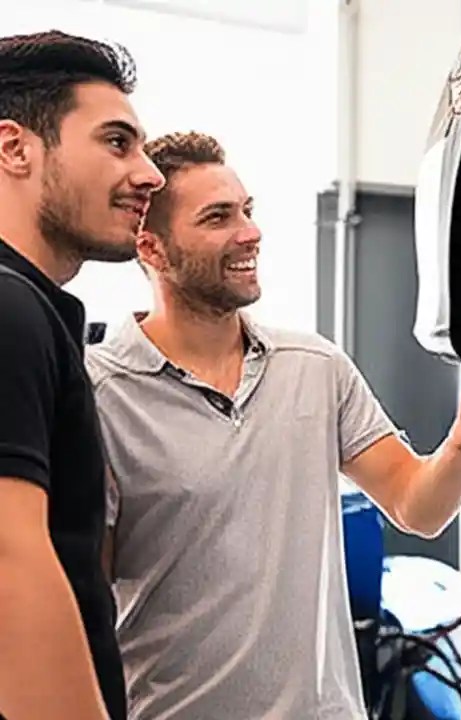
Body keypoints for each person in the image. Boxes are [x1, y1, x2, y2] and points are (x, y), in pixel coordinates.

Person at [84, 130, 461, 719]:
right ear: (151, 249)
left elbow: (418, 507)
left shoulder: (313, 366)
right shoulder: (100, 393)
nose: (250, 233)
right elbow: (81, 606)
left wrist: (460, 446)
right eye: (217, 218)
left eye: (247, 210)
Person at [0, 30, 164, 720]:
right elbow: (8, 560)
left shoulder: (32, 312)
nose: (151, 174)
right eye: (117, 142)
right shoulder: (10, 310)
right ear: (15, 149)